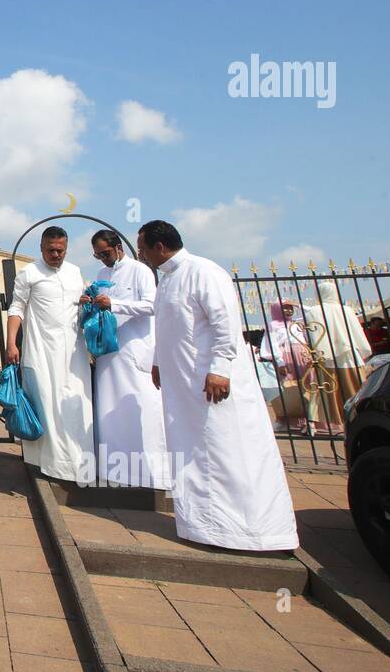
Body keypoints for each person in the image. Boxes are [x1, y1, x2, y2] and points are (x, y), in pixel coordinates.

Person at [139, 220, 298, 552]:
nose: (139, 253)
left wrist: (220, 368)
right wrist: (157, 361)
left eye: (142, 246)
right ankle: (202, 526)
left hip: (210, 381)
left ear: (159, 246)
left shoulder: (204, 272)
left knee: (226, 450)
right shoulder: (167, 280)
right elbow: (166, 326)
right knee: (192, 451)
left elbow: (224, 322)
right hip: (183, 387)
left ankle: (248, 531)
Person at [81, 230, 171, 489]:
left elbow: (152, 306)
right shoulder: (100, 275)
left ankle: (150, 472)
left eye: (105, 254)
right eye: (97, 255)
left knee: (141, 408)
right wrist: (89, 303)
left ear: (118, 247)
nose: (102, 260)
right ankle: (115, 470)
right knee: (109, 408)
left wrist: (115, 304)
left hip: (134, 347)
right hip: (108, 351)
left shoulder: (140, 270)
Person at [5, 225, 94, 482]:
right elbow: (16, 308)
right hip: (41, 349)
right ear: (42, 248)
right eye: (51, 250)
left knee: (77, 403)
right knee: (47, 402)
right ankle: (53, 464)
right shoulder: (29, 273)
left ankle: (79, 462)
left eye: (61, 251)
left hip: (74, 350)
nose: (56, 255)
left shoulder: (75, 272)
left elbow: (82, 304)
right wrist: (12, 343)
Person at [303, 281, 374, 432]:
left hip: (326, 356)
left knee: (325, 391)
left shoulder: (313, 311)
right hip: (349, 354)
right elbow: (357, 332)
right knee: (356, 390)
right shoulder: (347, 310)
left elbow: (314, 334)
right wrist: (364, 350)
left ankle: (318, 423)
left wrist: (318, 352)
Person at [258, 300, 315, 433]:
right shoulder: (272, 325)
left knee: (307, 387)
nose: (289, 310)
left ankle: (309, 420)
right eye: (285, 308)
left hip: (303, 356)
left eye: (291, 308)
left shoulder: (296, 323)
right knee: (287, 390)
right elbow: (272, 343)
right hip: (286, 357)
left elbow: (314, 313)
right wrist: (280, 362)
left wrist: (298, 305)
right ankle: (283, 420)